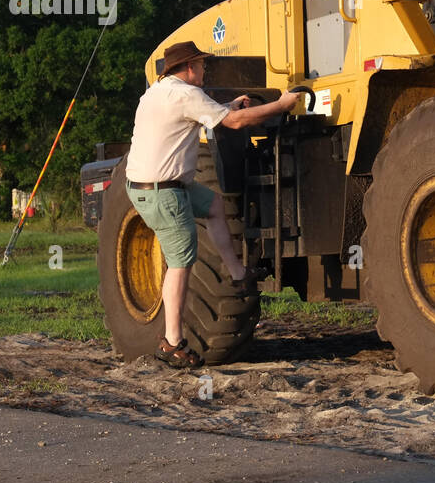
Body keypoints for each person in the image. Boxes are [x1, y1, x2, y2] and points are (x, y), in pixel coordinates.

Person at [125, 41, 303, 368]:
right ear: (189, 66)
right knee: (181, 262)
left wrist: (229, 105)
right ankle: (172, 342)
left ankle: (237, 273)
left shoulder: (157, 92)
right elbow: (233, 124)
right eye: (203, 65)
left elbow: (207, 114)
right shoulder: (184, 95)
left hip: (150, 186)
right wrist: (280, 105)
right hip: (164, 192)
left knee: (214, 206)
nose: (205, 70)